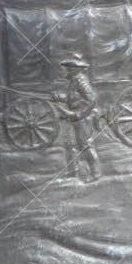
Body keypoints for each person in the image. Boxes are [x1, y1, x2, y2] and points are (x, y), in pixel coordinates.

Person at [53, 53, 100, 183]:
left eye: (69, 67)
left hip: (83, 118)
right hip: (76, 118)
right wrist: (60, 97)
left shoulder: (81, 81)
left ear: (75, 69)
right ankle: (73, 172)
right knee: (72, 145)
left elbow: (91, 100)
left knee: (86, 145)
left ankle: (95, 173)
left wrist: (78, 114)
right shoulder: (75, 81)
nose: (66, 70)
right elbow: (74, 98)